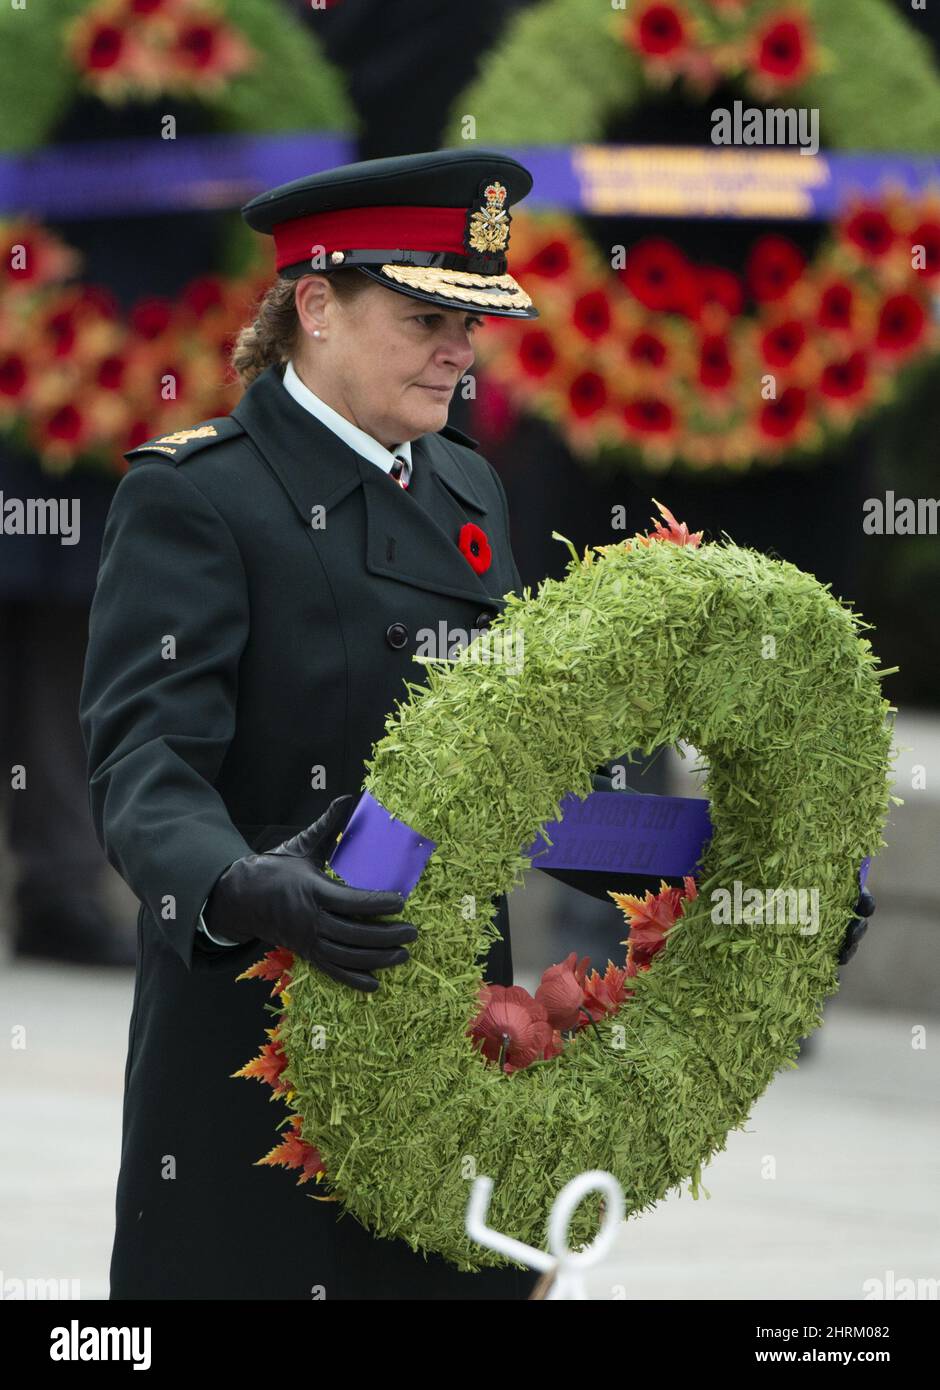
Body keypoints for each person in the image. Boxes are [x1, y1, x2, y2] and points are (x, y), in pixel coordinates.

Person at [78, 146, 558, 1300]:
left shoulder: (464, 483)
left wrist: (701, 867)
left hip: (445, 1037)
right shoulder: (197, 494)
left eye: (473, 319)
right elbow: (146, 762)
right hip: (257, 1046)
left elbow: (518, 756)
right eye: (426, 314)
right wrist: (243, 884)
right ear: (315, 305)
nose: (460, 347)